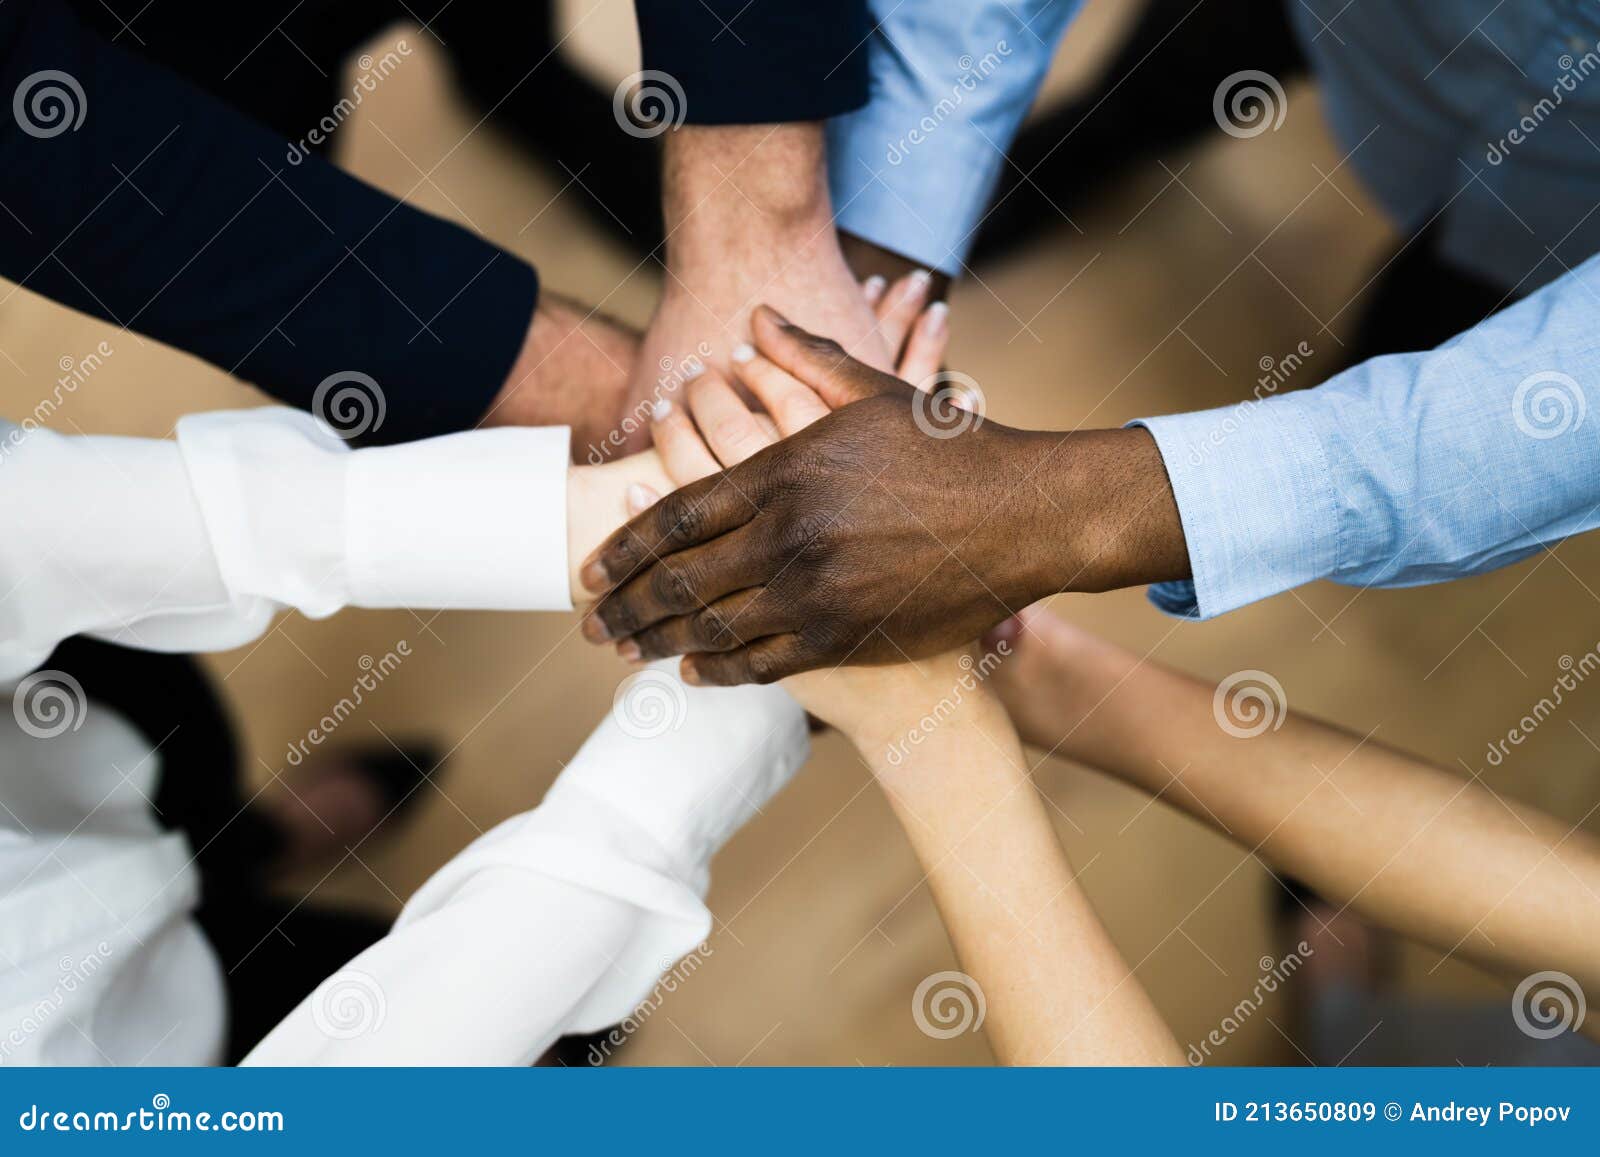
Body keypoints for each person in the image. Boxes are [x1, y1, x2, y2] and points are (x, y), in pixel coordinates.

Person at [0, 278, 945, 1065]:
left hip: (67, 728)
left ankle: (250, 840)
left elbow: (30, 524)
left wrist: (631, 514)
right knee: (512, 1034)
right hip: (185, 1060)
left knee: (186, 762)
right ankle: (249, 863)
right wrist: (759, 674)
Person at [580, 0, 1600, 682]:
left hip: (1548, 229)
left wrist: (1072, 511)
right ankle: (1067, 159)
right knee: (1150, 91)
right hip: (1345, 25)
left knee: (1422, 334)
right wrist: (849, 254)